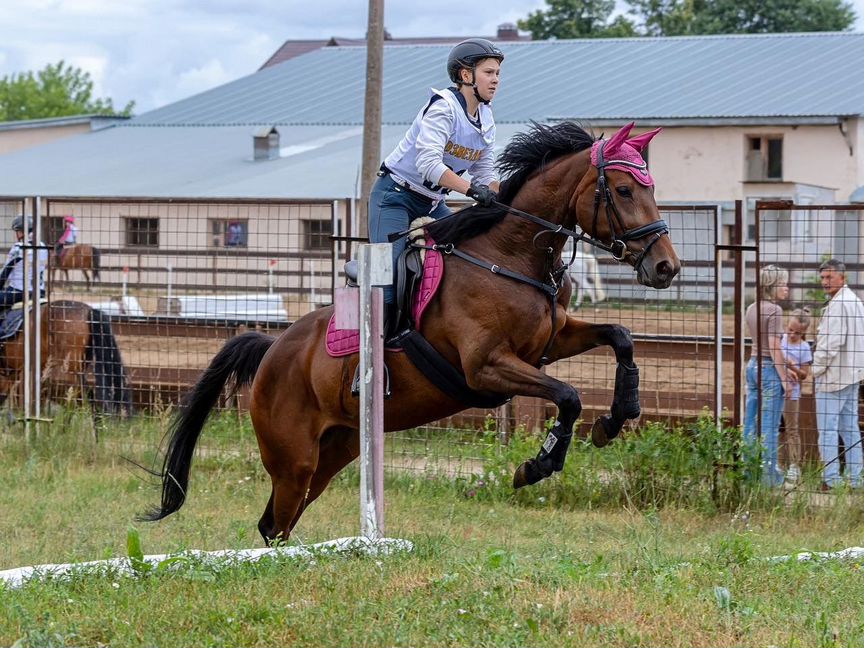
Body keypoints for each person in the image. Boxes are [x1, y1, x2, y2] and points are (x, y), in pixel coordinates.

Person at [368, 38, 504, 333]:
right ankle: (381, 346)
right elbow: (428, 165)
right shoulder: (443, 108)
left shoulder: (487, 118)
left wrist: (500, 199)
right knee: (387, 275)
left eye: (497, 74)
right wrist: (470, 191)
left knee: (469, 255)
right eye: (489, 73)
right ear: (466, 76)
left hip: (433, 202)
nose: (496, 80)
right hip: (394, 197)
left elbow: (485, 171)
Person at [811, 259, 864, 490]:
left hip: (833, 376)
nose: (825, 282)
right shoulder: (855, 301)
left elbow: (829, 345)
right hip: (852, 373)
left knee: (828, 430)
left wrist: (814, 370)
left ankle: (831, 478)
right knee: (849, 427)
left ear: (842, 277)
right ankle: (855, 477)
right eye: (822, 277)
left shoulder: (839, 305)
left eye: (829, 277)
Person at [743, 264, 790, 487]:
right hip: (769, 369)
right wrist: (785, 379)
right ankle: (770, 478)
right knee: (769, 426)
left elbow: (759, 342)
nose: (786, 288)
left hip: (752, 366)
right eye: (783, 283)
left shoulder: (752, 307)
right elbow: (773, 347)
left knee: (751, 423)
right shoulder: (775, 310)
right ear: (772, 286)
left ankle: (748, 472)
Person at [780, 307, 813, 484]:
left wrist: (792, 367)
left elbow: (804, 374)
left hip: (792, 393)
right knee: (775, 428)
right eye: (790, 330)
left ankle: (794, 465)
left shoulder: (804, 348)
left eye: (797, 333)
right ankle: (776, 463)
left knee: (792, 429)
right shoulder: (781, 339)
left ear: (804, 332)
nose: (792, 335)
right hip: (776, 388)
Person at [0, 215, 49, 310]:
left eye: (17, 231)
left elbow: (5, 273)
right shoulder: (43, 246)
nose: (16, 234)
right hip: (40, 292)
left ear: (22, 231)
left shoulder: (19, 247)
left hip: (18, 292)